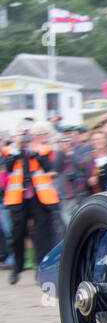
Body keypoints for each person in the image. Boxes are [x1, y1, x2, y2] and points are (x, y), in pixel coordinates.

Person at [4, 122, 60, 284]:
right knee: (17, 233)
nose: (25, 138)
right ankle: (17, 267)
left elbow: (48, 166)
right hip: (18, 197)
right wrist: (17, 149)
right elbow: (8, 167)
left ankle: (41, 269)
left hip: (39, 197)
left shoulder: (43, 149)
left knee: (42, 234)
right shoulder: (10, 150)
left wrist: (34, 153)